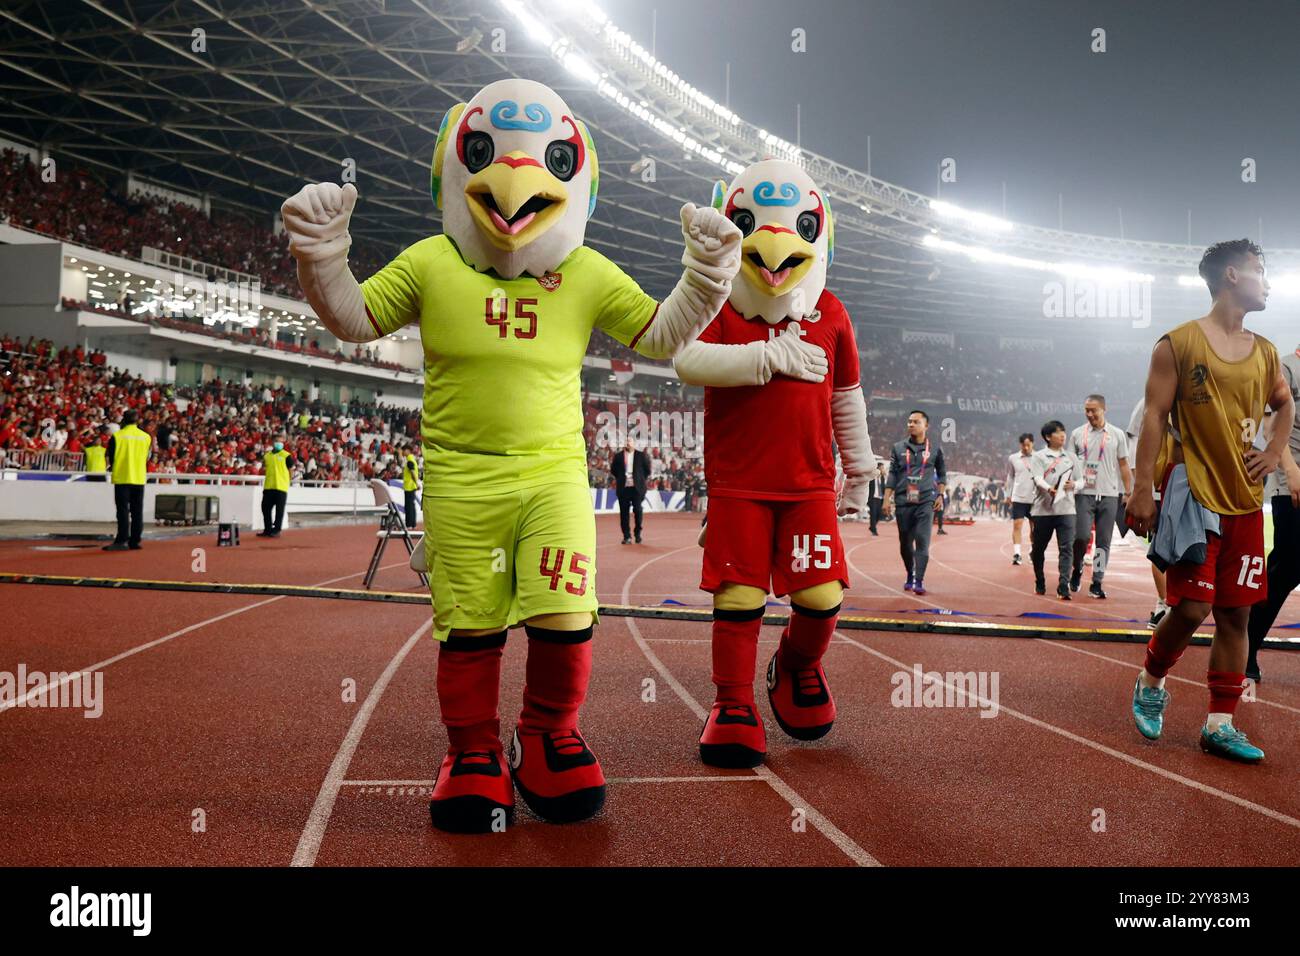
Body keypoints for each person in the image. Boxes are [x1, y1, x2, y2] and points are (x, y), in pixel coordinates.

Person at [281, 78, 741, 832]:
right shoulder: (432, 261)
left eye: (550, 159)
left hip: (556, 477)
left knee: (566, 617)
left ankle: (548, 734)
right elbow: (356, 318)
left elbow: (660, 337)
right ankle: (471, 751)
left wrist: (708, 275)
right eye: (488, 155)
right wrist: (321, 254)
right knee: (470, 627)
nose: (519, 180)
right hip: (462, 477)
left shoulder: (587, 274)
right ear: (455, 171)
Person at [673, 158, 871, 768]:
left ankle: (795, 664)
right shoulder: (716, 303)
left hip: (809, 485)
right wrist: (768, 356)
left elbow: (846, 394)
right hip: (739, 484)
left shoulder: (831, 311)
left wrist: (859, 466)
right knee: (737, 597)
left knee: (819, 597)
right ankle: (731, 704)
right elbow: (686, 359)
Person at [1127, 239, 1293, 763]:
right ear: (1230, 277)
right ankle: (1151, 679)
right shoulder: (1177, 343)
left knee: (1237, 615)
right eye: (1259, 272)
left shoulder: (1266, 352)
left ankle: (1219, 724)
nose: (1267, 283)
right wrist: (1141, 489)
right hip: (1193, 495)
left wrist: (1273, 451)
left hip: (1245, 499)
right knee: (1193, 606)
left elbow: (1284, 405)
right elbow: (1153, 416)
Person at [1245, 341, 1300, 681]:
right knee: (1289, 564)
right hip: (1292, 479)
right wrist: (1290, 470)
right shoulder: (1285, 366)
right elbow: (1271, 424)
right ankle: (1246, 644)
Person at [1068, 395, 1132, 598]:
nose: (1089, 414)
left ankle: (1097, 581)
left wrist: (1128, 492)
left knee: (1103, 542)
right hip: (1083, 493)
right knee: (1081, 537)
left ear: (1104, 409)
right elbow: (1068, 463)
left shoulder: (1117, 434)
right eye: (1086, 410)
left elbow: (1123, 464)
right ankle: (1077, 568)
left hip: (1109, 494)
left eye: (1093, 410)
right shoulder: (1078, 434)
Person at [882, 410, 946, 595]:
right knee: (905, 543)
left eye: (916, 422)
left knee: (922, 540)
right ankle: (910, 573)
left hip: (926, 501)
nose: (911, 425)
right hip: (903, 501)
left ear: (926, 426)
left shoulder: (935, 449)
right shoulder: (898, 448)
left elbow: (942, 474)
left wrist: (940, 495)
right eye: (909, 422)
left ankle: (919, 580)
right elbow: (893, 473)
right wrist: (887, 499)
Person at [1125, 397, 1172, 628]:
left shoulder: (1198, 393)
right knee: (1160, 550)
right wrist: (1143, 489)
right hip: (1159, 489)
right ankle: (1164, 605)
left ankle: (1176, 604)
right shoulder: (1148, 402)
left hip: (1192, 487)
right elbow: (1135, 444)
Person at [1029, 420, 1081, 599]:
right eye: (1059, 433)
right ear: (1048, 437)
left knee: (1067, 548)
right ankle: (1040, 580)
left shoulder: (1071, 457)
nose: (1063, 436)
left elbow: (1081, 481)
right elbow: (1036, 478)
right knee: (1038, 548)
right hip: (1043, 510)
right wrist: (1048, 488)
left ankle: (1063, 585)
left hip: (1067, 509)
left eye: (1064, 432)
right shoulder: (1039, 457)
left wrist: (1074, 484)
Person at [103, 409, 151, 551]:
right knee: (137, 511)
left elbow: (110, 458)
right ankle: (135, 541)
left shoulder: (117, 436)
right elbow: (148, 456)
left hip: (122, 477)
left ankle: (122, 540)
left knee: (123, 511)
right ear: (137, 420)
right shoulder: (146, 437)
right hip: (139, 477)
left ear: (124, 420)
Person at [609, 435, 650, 544]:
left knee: (637, 510)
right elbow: (613, 470)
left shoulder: (641, 456)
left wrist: (639, 480)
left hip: (636, 489)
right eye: (626, 441)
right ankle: (626, 536)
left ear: (634, 443)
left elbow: (647, 471)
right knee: (624, 513)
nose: (628, 443)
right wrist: (622, 478)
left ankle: (637, 534)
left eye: (630, 441)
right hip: (623, 488)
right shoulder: (618, 457)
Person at [1008, 432, 1036, 565]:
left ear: (1032, 443)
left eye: (1028, 445)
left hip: (1035, 498)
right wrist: (1009, 494)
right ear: (1020, 445)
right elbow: (1011, 476)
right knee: (1017, 524)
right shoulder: (1013, 458)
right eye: (1023, 445)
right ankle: (1017, 554)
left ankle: (1033, 551)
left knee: (1035, 528)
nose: (1026, 448)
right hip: (1018, 497)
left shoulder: (1039, 458)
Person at [258, 436, 293, 537]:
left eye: (281, 442)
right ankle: (267, 529)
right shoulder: (267, 456)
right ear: (272, 442)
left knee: (279, 509)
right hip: (269, 486)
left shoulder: (286, 455)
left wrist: (288, 481)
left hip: (281, 486)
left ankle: (277, 530)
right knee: (265, 508)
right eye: (277, 441)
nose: (279, 443)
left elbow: (291, 469)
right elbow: (264, 468)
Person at [401, 448, 421, 528]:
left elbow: (412, 472)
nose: (403, 452)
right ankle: (413, 524)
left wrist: (416, 483)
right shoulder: (413, 460)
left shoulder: (410, 461)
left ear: (408, 450)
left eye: (404, 450)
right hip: (411, 486)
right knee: (411, 505)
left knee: (409, 506)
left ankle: (409, 524)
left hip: (409, 486)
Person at [868, 458, 888, 535]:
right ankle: (874, 530)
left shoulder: (882, 478)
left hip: (880, 498)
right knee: (873, 514)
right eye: (882, 468)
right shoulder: (872, 477)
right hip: (873, 498)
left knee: (879, 514)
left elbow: (884, 488)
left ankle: (872, 527)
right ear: (878, 468)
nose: (883, 469)